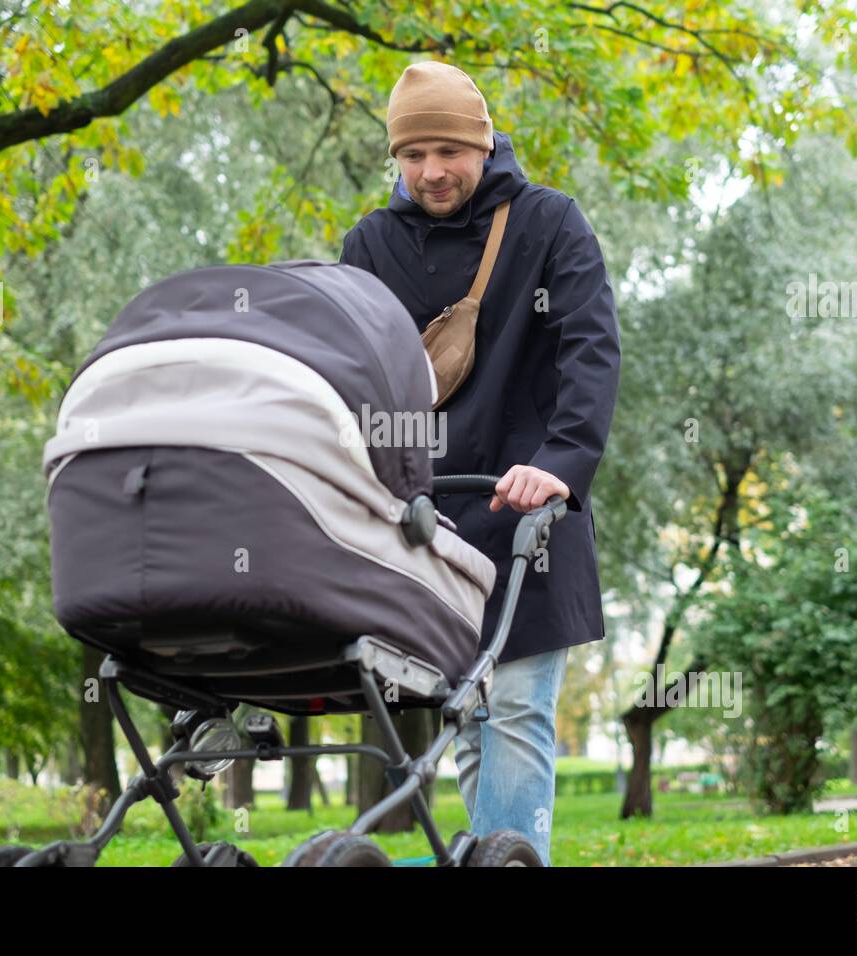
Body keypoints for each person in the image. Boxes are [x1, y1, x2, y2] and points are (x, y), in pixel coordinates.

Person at [338, 60, 621, 866]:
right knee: (466, 717)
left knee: (521, 707)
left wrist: (561, 461)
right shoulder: (369, 243)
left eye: (448, 152)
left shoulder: (549, 223)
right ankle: (496, 858)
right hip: (427, 518)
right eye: (413, 154)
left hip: (531, 506)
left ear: (484, 142)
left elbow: (590, 350)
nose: (431, 172)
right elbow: (355, 371)